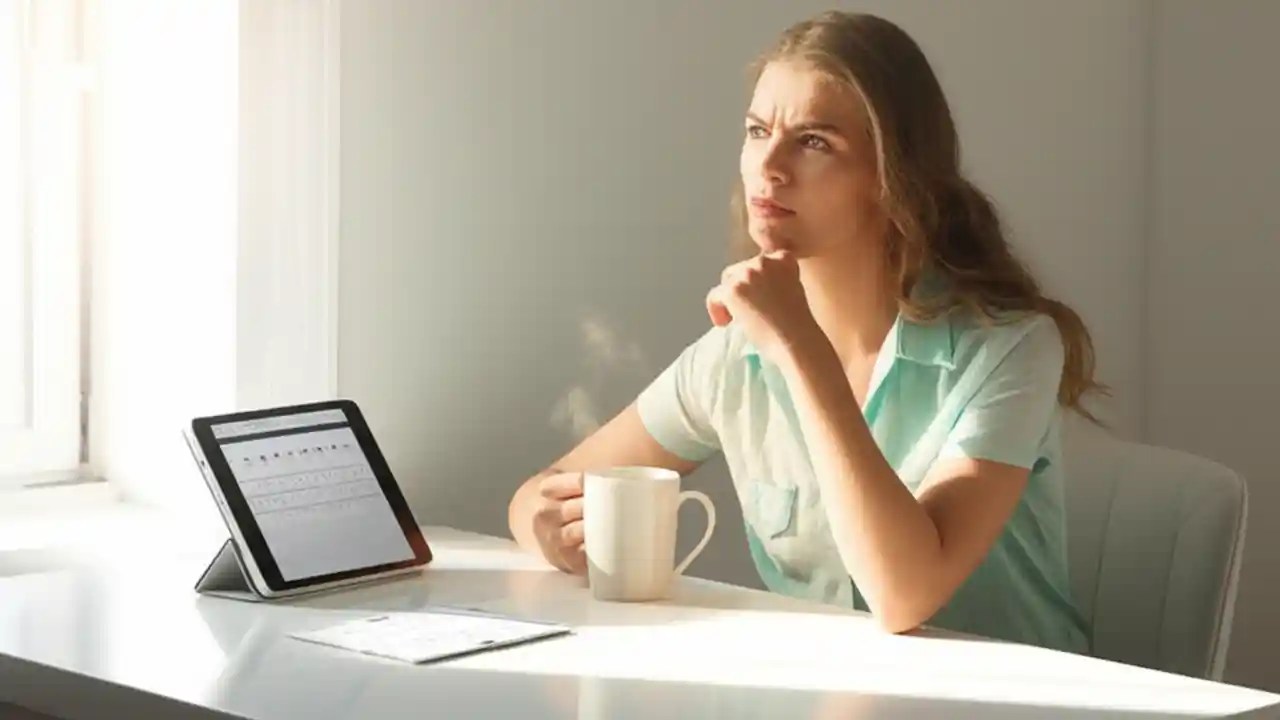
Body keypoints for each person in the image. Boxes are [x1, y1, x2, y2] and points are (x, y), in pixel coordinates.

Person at [508, 10, 1098, 653]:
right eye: (758, 131)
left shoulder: (1011, 349)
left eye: (814, 141)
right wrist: (541, 524)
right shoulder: (734, 355)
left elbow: (904, 595)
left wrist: (798, 348)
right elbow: (538, 492)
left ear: (891, 173)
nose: (769, 165)